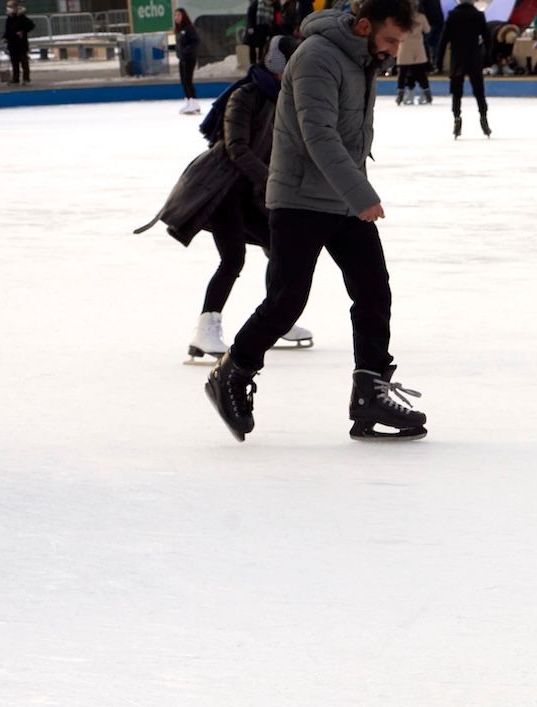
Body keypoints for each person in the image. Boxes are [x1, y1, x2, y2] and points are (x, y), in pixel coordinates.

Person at [204, 0, 429, 444]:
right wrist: (361, 194)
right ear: (364, 25)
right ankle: (232, 373)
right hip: (300, 197)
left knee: (373, 290)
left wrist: (353, 191)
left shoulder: (362, 58)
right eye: (388, 40)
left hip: (341, 198)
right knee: (287, 301)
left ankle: (369, 392)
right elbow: (318, 135)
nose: (391, 51)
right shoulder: (316, 57)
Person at [137, 35, 318, 360]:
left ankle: (277, 319)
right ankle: (205, 331)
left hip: (247, 192)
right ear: (279, 64)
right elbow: (236, 148)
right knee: (232, 258)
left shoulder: (285, 99)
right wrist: (270, 179)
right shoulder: (244, 95)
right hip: (219, 188)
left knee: (278, 247)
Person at [439, 0, 492, 137]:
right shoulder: (478, 15)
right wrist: (488, 58)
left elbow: (444, 39)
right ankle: (483, 117)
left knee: (457, 93)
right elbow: (487, 37)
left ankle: (457, 117)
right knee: (479, 92)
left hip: (457, 60)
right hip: (474, 58)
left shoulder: (452, 15)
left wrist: (438, 61)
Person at [394, 3, 431, 104]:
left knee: (403, 73)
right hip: (417, 47)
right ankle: (427, 93)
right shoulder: (422, 17)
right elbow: (427, 30)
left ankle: (401, 94)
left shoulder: (402, 17)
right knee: (420, 72)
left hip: (404, 46)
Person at [174, 8, 202, 113]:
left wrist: (186, 51)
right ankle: (189, 101)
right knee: (183, 81)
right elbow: (180, 44)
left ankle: (194, 102)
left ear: (183, 16)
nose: (176, 17)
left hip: (189, 58)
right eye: (175, 15)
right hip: (182, 59)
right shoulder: (179, 30)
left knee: (188, 81)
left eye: (178, 15)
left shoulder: (189, 28)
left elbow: (195, 41)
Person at [5, 0, 32, 84]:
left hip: (21, 43)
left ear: (15, 7)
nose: (8, 8)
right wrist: (5, 37)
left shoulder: (21, 16)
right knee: (14, 62)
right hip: (12, 43)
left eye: (10, 7)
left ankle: (26, 78)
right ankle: (15, 78)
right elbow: (8, 29)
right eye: (8, 7)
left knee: (24, 62)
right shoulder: (9, 17)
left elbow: (31, 25)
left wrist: (22, 31)